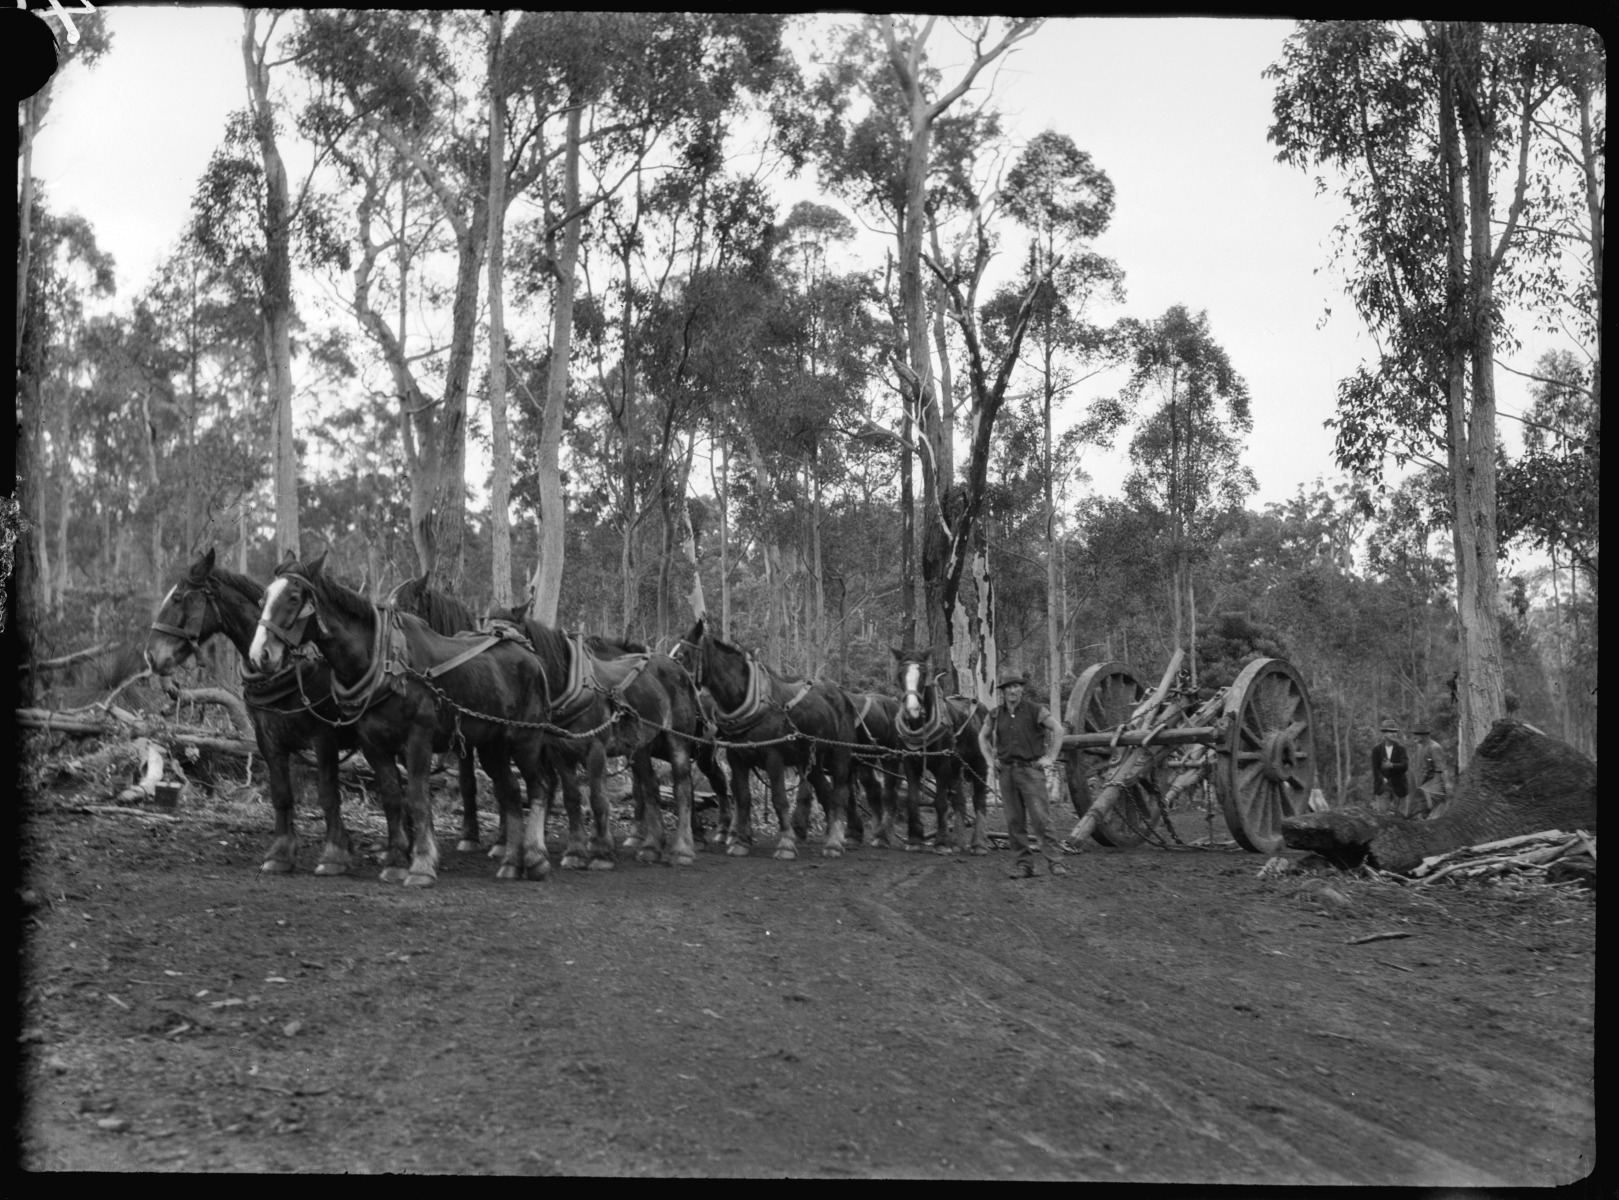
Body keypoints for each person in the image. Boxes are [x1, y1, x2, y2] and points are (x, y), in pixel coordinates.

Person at [978, 671, 1068, 879]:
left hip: (1031, 772)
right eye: (1008, 687)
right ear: (1002, 691)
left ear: (1022, 688)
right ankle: (1024, 865)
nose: (1012, 690)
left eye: (1016, 686)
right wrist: (990, 762)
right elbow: (982, 737)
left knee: (1041, 819)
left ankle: (1055, 862)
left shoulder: (1035, 710)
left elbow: (1058, 730)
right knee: (1014, 821)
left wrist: (1051, 757)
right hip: (1007, 773)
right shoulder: (995, 714)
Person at [1408, 720, 1455, 819]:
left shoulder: (1434, 748)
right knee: (1415, 811)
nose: (1415, 737)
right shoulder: (1421, 747)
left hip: (1435, 786)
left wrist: (1431, 792)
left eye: (1417, 734)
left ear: (1424, 735)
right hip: (1425, 785)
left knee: (1425, 811)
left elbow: (1439, 771)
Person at [1370, 719, 1409, 813]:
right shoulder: (1377, 750)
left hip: (1399, 787)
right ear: (1384, 734)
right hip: (1383, 787)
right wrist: (1382, 778)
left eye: (1395, 731)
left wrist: (1392, 765)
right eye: (1391, 732)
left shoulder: (1401, 749)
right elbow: (1375, 768)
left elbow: (1405, 766)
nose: (1394, 734)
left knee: (1401, 817)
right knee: (1383, 816)